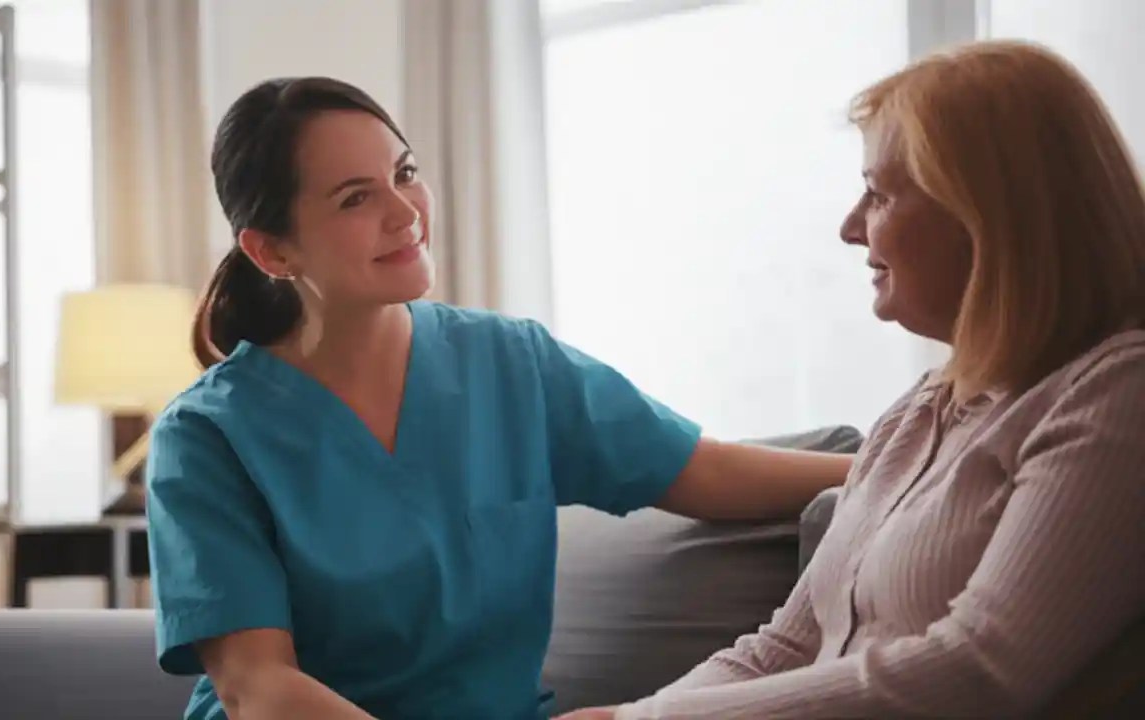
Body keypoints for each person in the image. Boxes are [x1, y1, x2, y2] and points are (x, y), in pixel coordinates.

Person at [145, 76, 853, 720]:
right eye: (355, 198)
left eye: (406, 174)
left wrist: (921, 463)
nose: (405, 212)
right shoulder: (207, 438)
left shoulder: (513, 361)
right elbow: (259, 687)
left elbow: (705, 470)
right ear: (273, 252)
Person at [560, 39, 1145, 720]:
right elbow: (783, 646)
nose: (848, 228)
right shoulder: (918, 413)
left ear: (984, 213)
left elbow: (983, 669)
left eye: (877, 195)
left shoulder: (1115, 393)